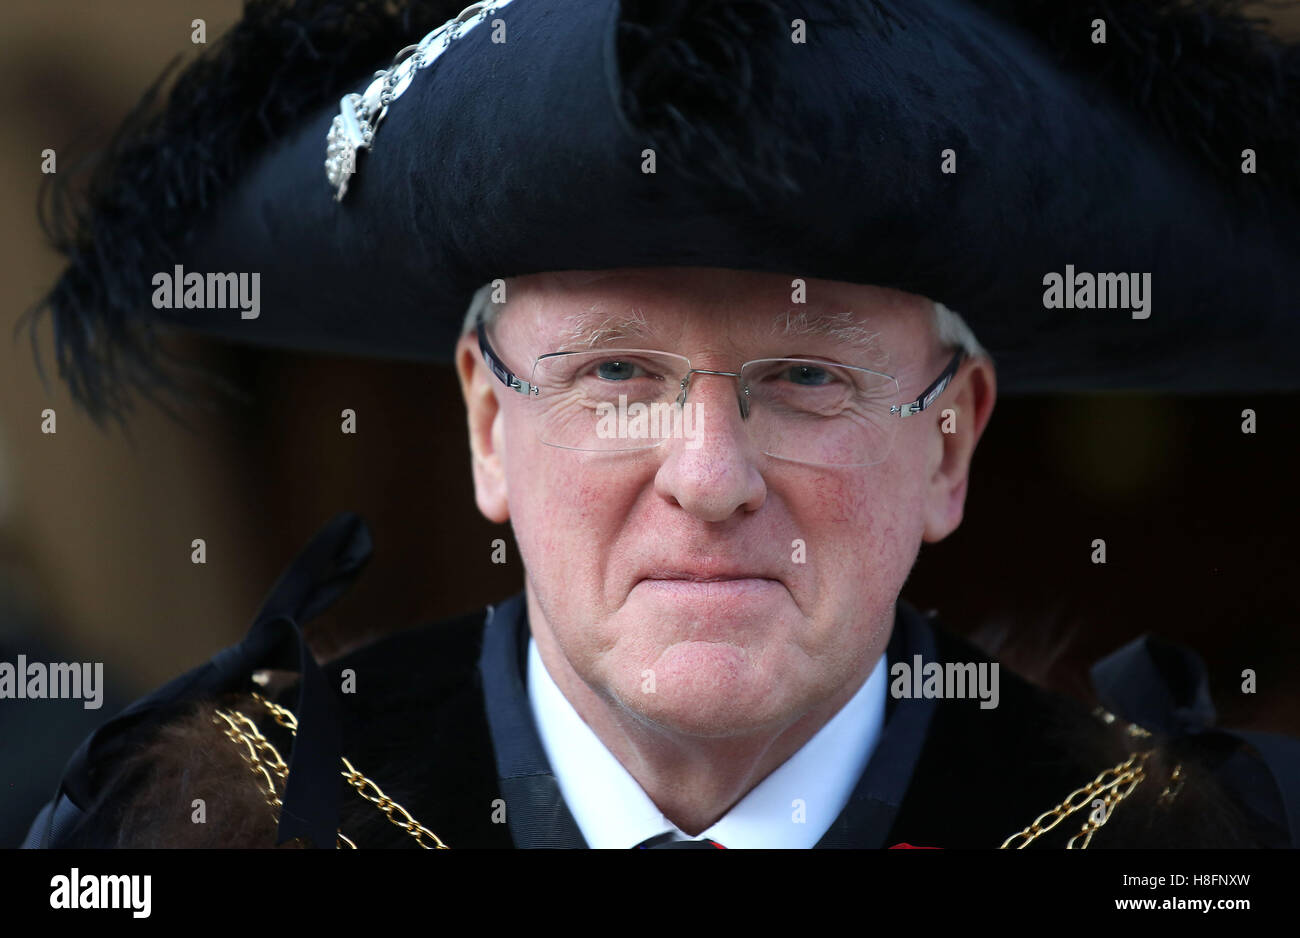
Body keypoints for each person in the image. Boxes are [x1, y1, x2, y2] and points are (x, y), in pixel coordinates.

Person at [19, 0, 1300, 848]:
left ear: (948, 443)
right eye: (618, 374)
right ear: (484, 422)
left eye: (804, 378)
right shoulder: (193, 831)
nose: (708, 476)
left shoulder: (1188, 851)